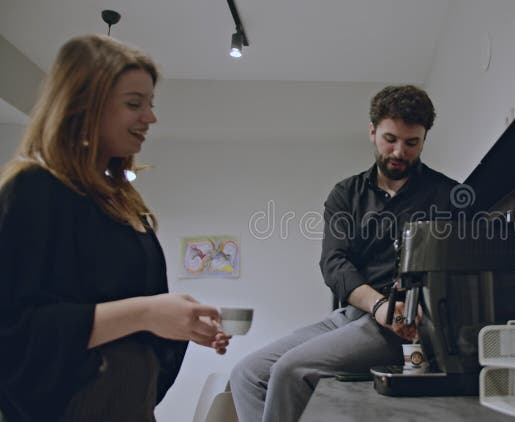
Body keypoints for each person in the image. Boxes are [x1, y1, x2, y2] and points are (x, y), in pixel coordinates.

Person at [0, 35, 230, 422]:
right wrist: (145, 314)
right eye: (133, 104)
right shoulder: (34, 191)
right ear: (84, 105)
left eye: (150, 105)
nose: (150, 118)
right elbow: (14, 330)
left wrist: (177, 325)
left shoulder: (120, 199)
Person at [230, 85, 459, 422]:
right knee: (248, 374)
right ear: (372, 131)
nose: (399, 151)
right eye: (390, 139)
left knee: (291, 371)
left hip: (406, 324)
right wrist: (377, 305)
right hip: (355, 313)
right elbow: (334, 263)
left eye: (412, 143)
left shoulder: (448, 196)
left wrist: (392, 309)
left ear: (424, 139)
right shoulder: (346, 194)